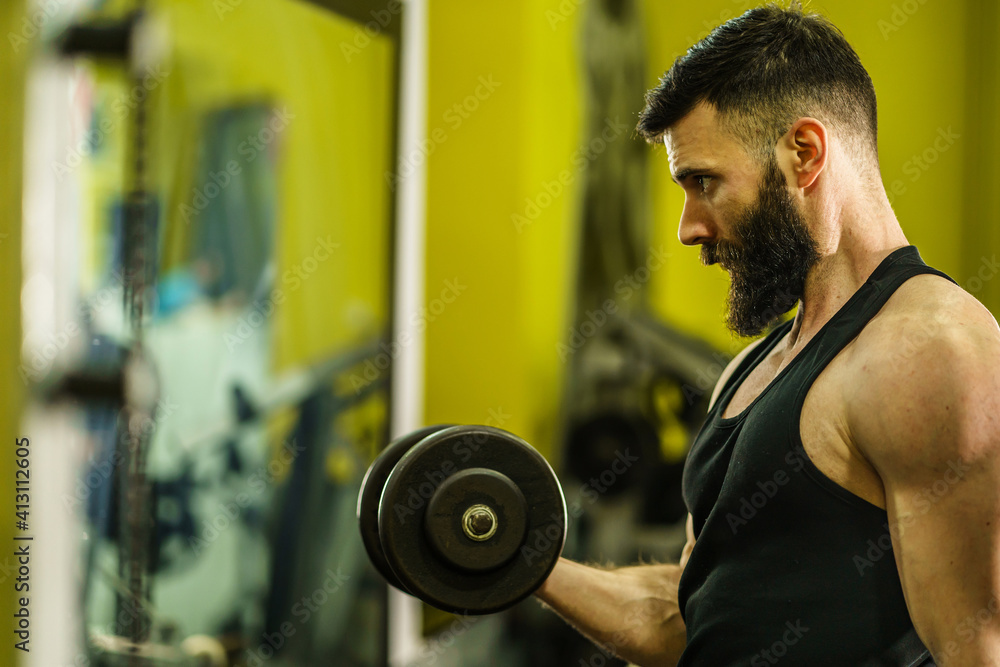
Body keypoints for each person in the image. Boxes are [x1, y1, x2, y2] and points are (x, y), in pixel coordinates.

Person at [534, 3, 1000, 666]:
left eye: (705, 183)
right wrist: (519, 561)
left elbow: (980, 650)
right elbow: (684, 621)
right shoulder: (751, 370)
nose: (688, 228)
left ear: (803, 153)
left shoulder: (929, 351)